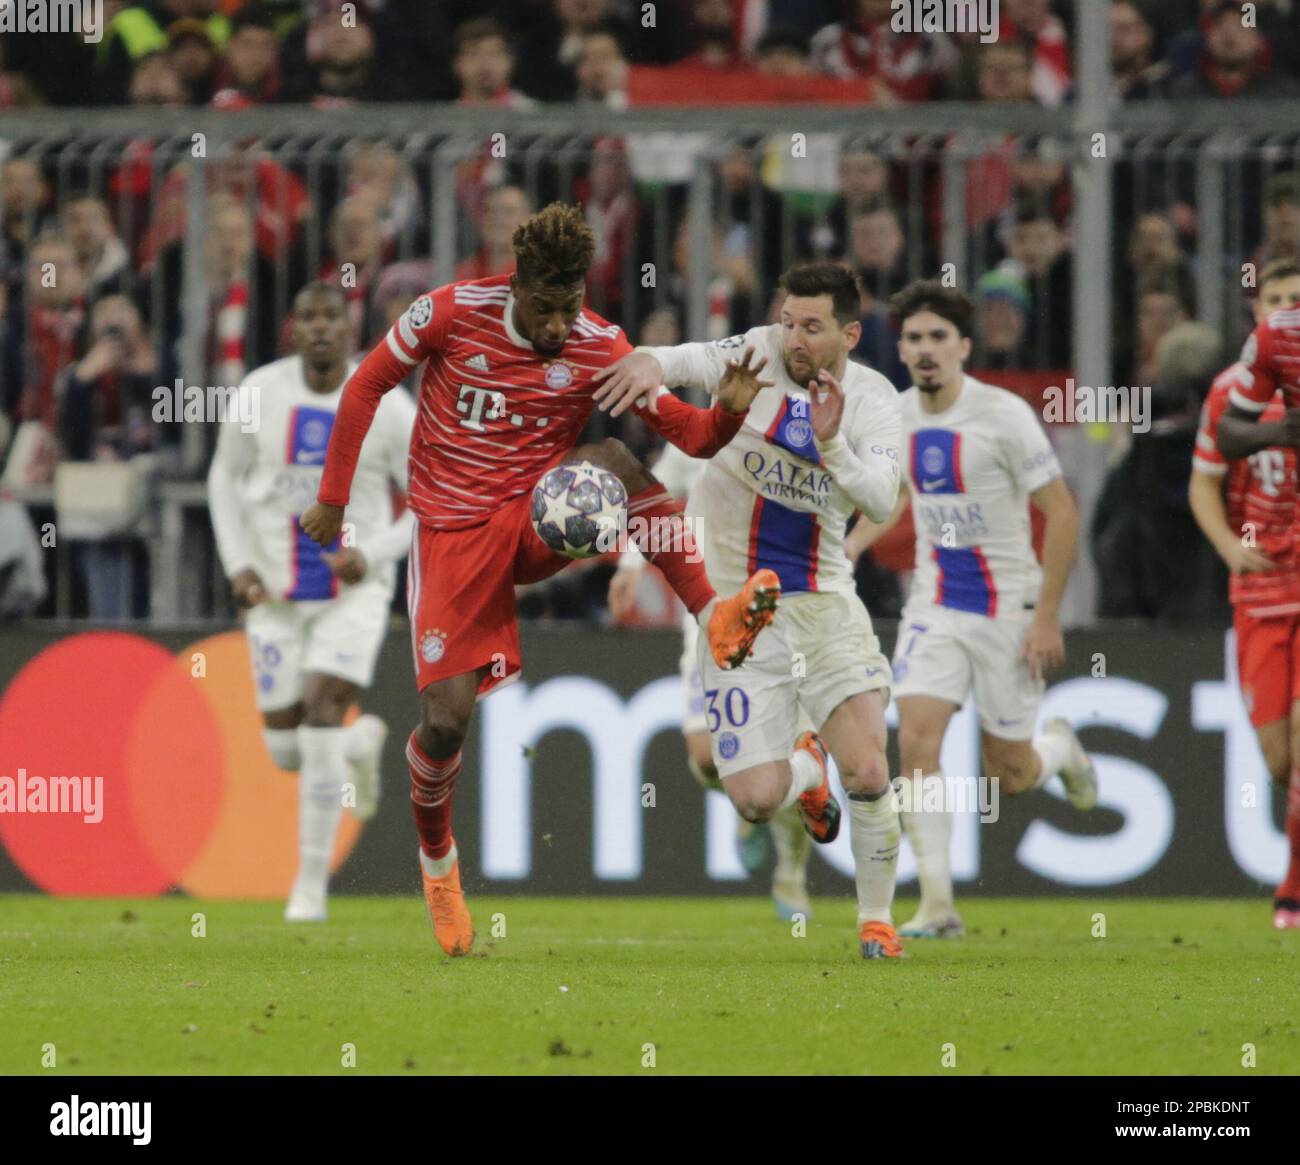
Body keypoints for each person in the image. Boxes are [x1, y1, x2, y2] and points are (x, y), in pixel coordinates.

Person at [300, 203, 781, 957]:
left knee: (617, 464)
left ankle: (712, 613)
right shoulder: (451, 313)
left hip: (535, 517)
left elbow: (686, 436)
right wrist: (333, 499)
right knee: (445, 723)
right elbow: (364, 386)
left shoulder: (601, 346)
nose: (561, 323)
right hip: (452, 535)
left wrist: (724, 414)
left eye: (573, 305)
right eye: (547, 307)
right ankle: (439, 867)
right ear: (516, 284)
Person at [596, 261, 907, 959]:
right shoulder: (757, 353)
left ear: (850, 333)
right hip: (733, 610)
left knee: (869, 769)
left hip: (822, 602)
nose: (793, 338)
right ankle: (804, 769)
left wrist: (830, 442)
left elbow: (883, 499)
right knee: (754, 798)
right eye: (788, 320)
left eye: (812, 326)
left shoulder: (876, 402)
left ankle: (877, 923)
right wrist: (646, 361)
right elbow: (688, 359)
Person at [847, 280, 1096, 938]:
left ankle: (1059, 749)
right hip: (935, 602)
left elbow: (1063, 513)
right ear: (899, 348)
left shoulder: (1004, 415)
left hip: (1009, 605)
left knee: (1009, 772)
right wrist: (847, 546)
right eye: (914, 338)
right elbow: (897, 496)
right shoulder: (896, 414)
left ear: (963, 346)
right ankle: (937, 903)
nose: (926, 350)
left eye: (938, 338)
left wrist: (1047, 614)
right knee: (917, 742)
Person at [207, 282, 414, 922]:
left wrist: (373, 555)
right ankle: (361, 743)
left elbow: (427, 502)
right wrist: (238, 565)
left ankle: (308, 889)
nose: (320, 328)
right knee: (287, 751)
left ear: (350, 327)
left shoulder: (389, 404)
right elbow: (222, 477)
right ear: (292, 329)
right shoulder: (258, 394)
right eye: (308, 317)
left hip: (352, 591)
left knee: (324, 710)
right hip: (273, 594)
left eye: (332, 317)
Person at [607, 442, 813, 920]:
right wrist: (630, 566)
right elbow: (649, 499)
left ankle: (791, 870)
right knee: (706, 759)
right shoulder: (696, 440)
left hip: (787, 615)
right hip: (711, 617)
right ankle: (762, 812)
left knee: (789, 749)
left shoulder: (795, 436)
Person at [1209, 259, 1300, 929]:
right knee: (1278, 758)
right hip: (1260, 586)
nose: (1286, 308)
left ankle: (1291, 890)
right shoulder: (1243, 379)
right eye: (1276, 298)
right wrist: (1227, 547)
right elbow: (1214, 459)